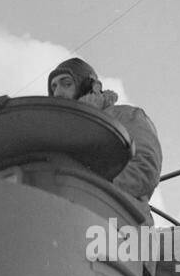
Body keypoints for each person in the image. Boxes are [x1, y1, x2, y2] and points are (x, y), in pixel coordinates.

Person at [48, 57, 162, 205]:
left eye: (67, 84)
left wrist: (91, 192)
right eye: (54, 87)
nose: (57, 93)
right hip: (61, 216)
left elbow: (145, 167)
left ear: (92, 86)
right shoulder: (55, 138)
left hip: (117, 219)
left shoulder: (125, 115)